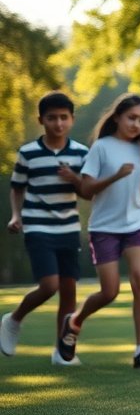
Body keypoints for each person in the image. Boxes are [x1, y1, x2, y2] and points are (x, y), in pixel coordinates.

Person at [62, 94, 140, 369]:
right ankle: (73, 322)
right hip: (104, 227)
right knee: (109, 291)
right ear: (117, 117)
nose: (136, 124)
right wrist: (116, 175)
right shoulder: (102, 147)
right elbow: (86, 189)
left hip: (135, 225)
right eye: (132, 118)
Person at [1, 92, 88, 364]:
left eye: (64, 118)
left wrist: (74, 177)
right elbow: (17, 188)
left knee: (69, 290)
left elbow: (87, 191)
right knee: (49, 285)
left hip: (69, 227)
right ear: (41, 120)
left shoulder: (81, 153)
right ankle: (13, 319)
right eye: (52, 118)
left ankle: (62, 351)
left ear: (72, 119)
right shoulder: (28, 153)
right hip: (38, 225)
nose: (58, 124)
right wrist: (16, 216)